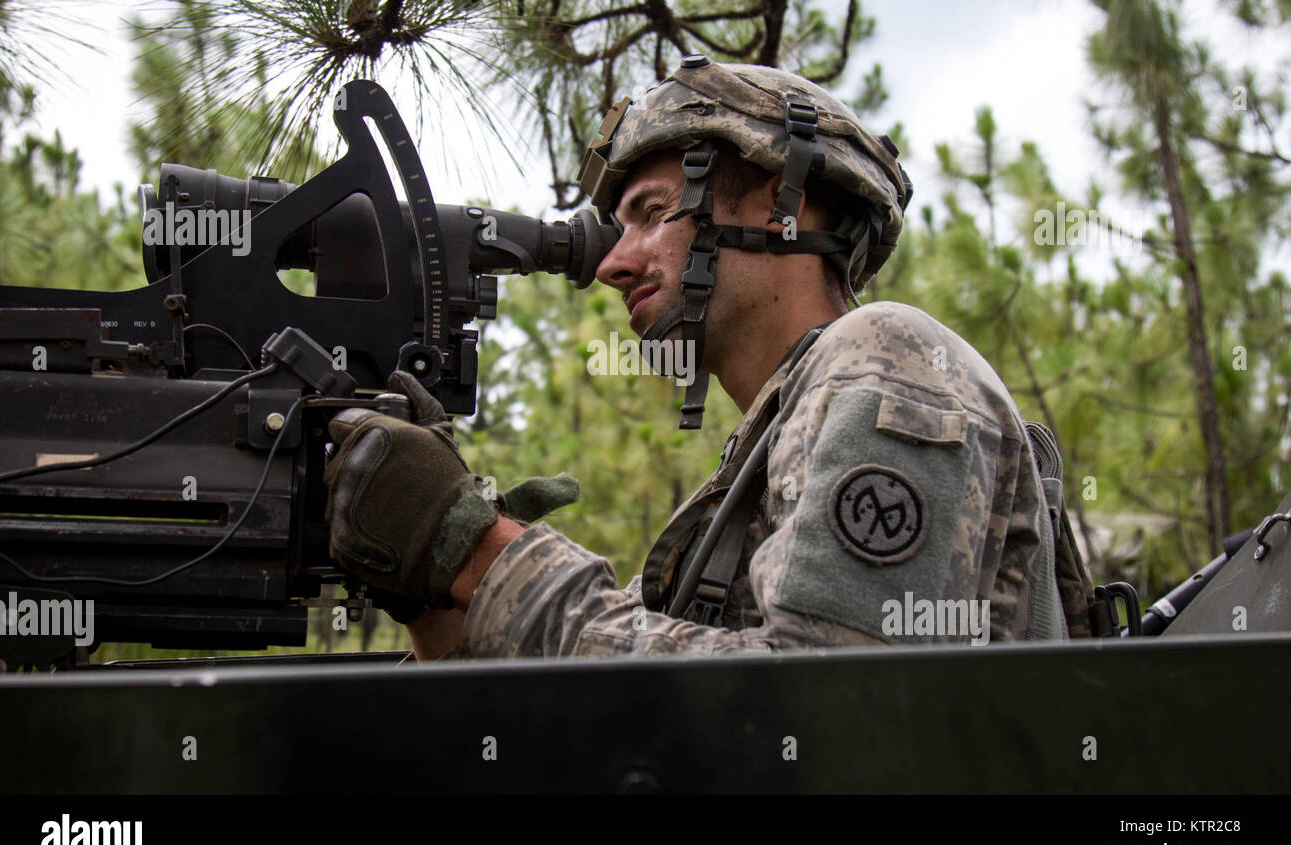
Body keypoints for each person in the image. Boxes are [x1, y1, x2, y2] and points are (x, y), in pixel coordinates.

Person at [322, 56, 1068, 660]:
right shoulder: (752, 468)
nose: (611, 266)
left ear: (783, 209)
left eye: (651, 213)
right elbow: (610, 711)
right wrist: (431, 584)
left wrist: (482, 552)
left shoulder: (889, 355)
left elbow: (823, 715)